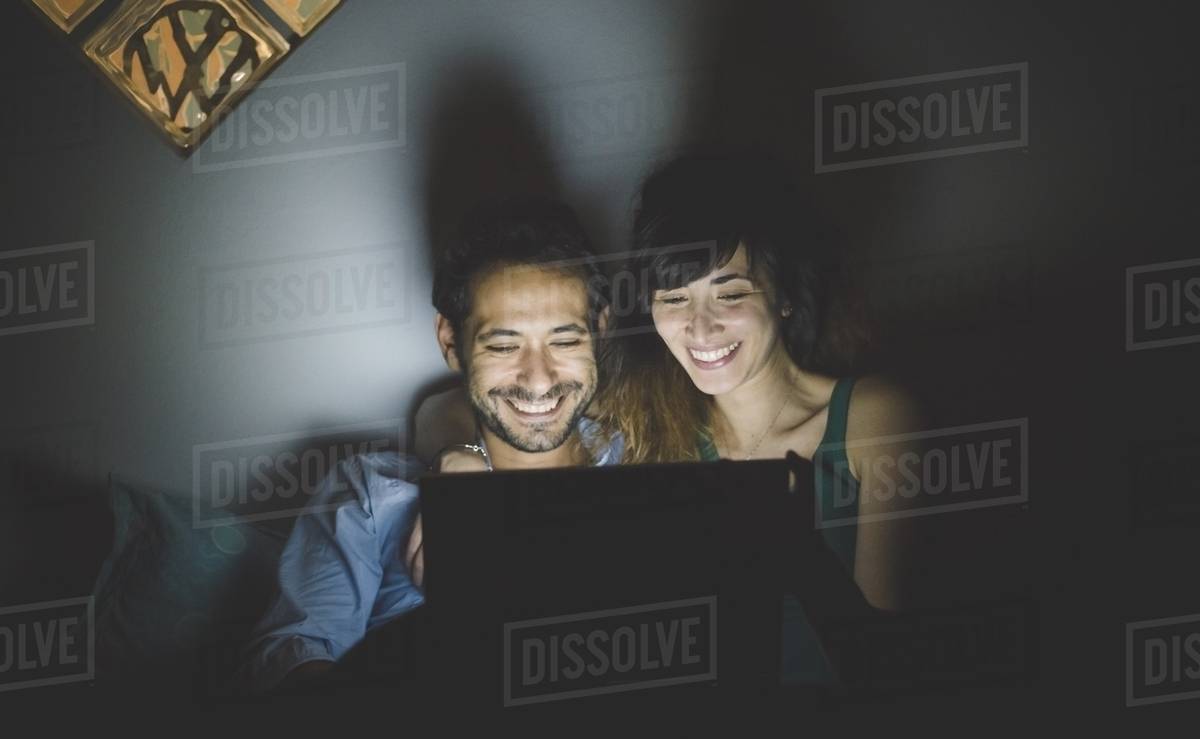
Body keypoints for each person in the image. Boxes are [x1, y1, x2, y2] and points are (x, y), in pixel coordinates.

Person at [242, 197, 622, 692]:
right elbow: (287, 659)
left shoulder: (649, 456)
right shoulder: (371, 497)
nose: (538, 379)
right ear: (451, 342)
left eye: (565, 341)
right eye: (504, 345)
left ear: (601, 330)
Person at [595, 153, 923, 683]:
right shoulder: (655, 436)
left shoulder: (874, 417)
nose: (700, 329)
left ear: (786, 295)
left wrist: (799, 553)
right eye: (675, 297)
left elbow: (890, 667)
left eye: (730, 293)